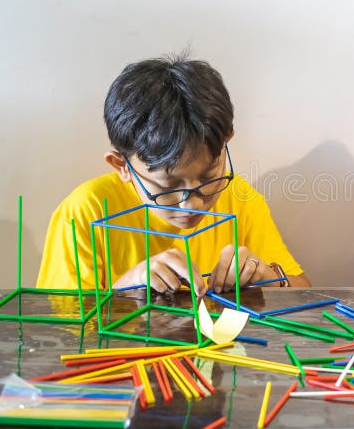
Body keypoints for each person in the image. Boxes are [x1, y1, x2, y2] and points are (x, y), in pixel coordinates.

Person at [37, 55, 311, 295]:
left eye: (208, 177)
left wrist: (270, 279)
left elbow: (304, 292)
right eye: (167, 185)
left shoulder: (239, 197)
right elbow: (62, 327)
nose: (191, 204)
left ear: (226, 143)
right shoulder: (86, 211)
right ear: (122, 166)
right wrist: (123, 289)